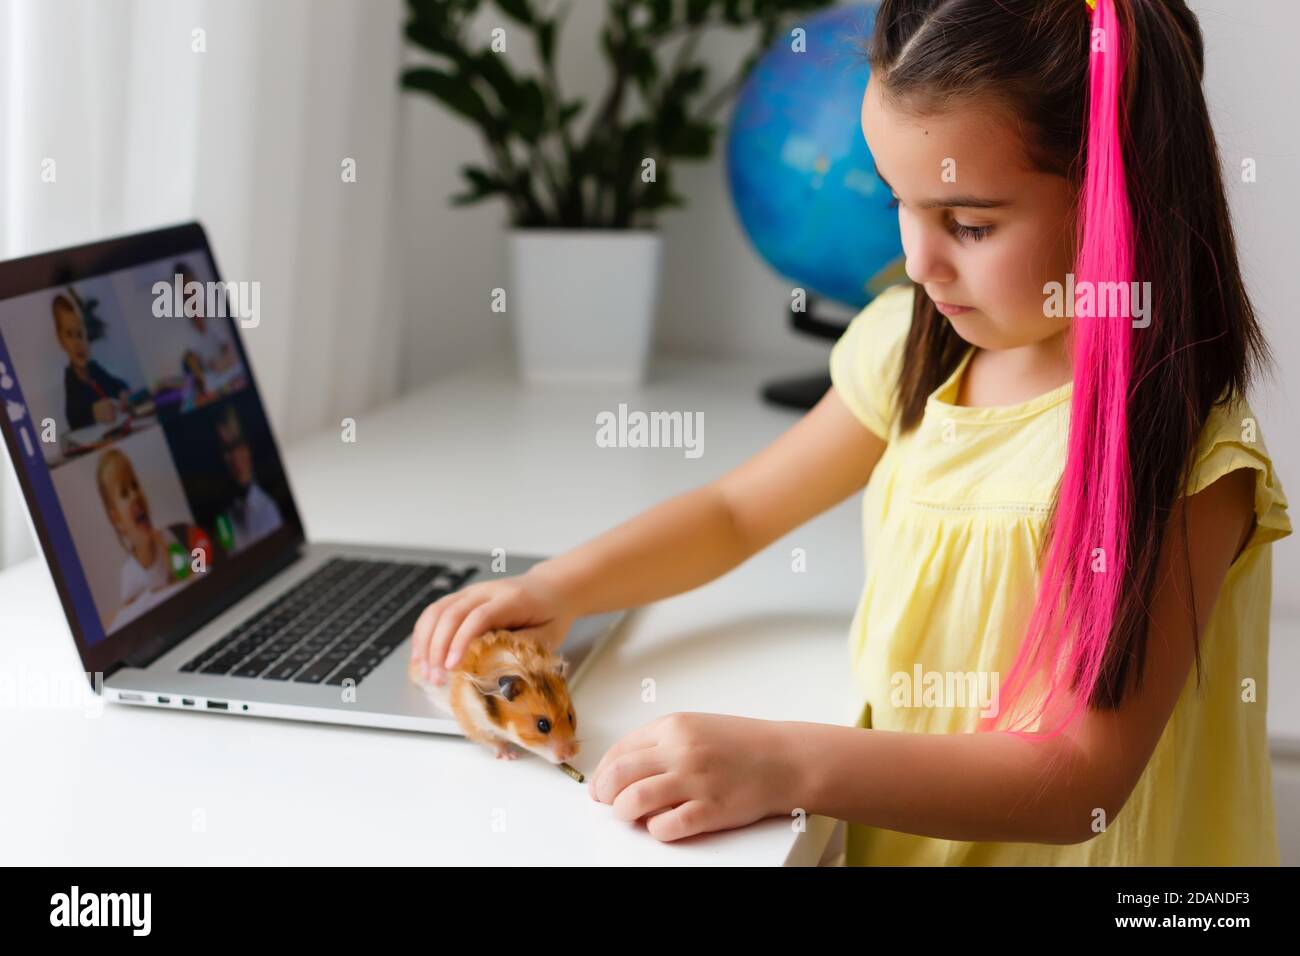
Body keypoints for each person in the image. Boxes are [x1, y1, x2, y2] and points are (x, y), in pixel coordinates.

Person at [407, 0, 1291, 865]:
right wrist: (565, 588)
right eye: (898, 203)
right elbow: (736, 513)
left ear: (1117, 195)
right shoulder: (916, 342)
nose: (917, 260)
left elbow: (1076, 780)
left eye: (971, 224)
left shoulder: (1188, 452)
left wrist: (783, 762)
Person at [53, 293, 131, 430]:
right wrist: (93, 414)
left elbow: (118, 384)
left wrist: (123, 392)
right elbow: (73, 418)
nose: (78, 343)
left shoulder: (94, 369)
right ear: (61, 339)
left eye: (81, 334)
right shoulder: (71, 379)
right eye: (69, 334)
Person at [216, 404, 281, 551]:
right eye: (226, 450)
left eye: (237, 446)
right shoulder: (225, 515)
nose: (234, 458)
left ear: (248, 448)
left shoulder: (269, 508)